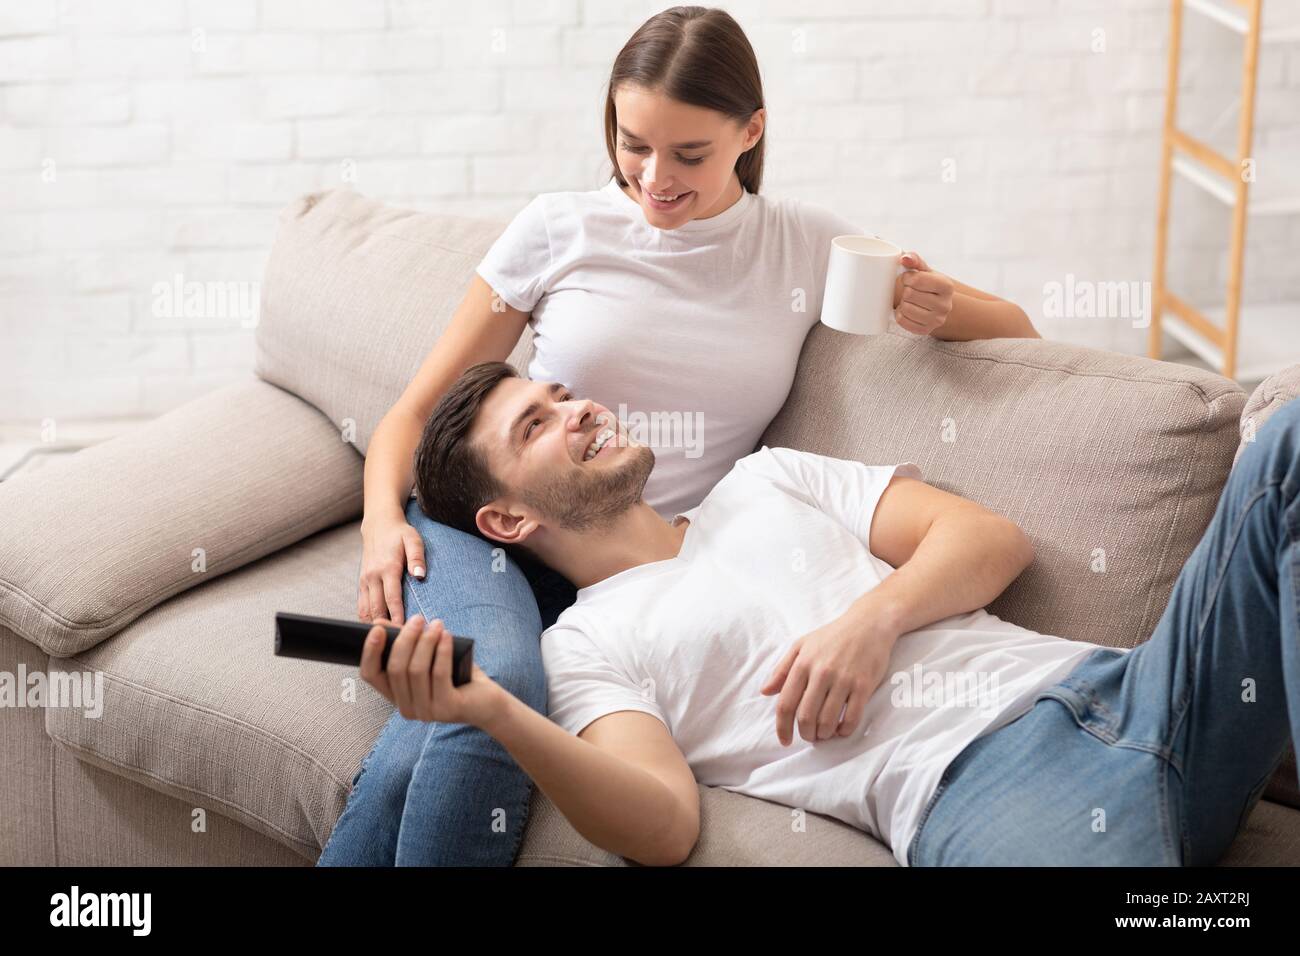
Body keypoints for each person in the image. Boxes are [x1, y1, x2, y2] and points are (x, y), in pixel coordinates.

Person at [322, 6, 1039, 866]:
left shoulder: (803, 243)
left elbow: (1020, 333)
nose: (654, 178)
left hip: (640, 570)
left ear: (751, 132)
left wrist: (940, 307)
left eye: (689, 154)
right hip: (509, 527)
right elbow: (416, 411)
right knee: (498, 677)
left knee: (450, 715)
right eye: (633, 145)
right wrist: (380, 522)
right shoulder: (560, 228)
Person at [359, 362, 1300, 867]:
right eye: (535, 426)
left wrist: (874, 620)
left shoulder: (768, 478)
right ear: (507, 518)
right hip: (986, 796)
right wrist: (493, 711)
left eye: (559, 395)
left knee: (1287, 450)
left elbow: (990, 540)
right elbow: (661, 826)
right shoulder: (586, 648)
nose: (576, 412)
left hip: (1128, 686)